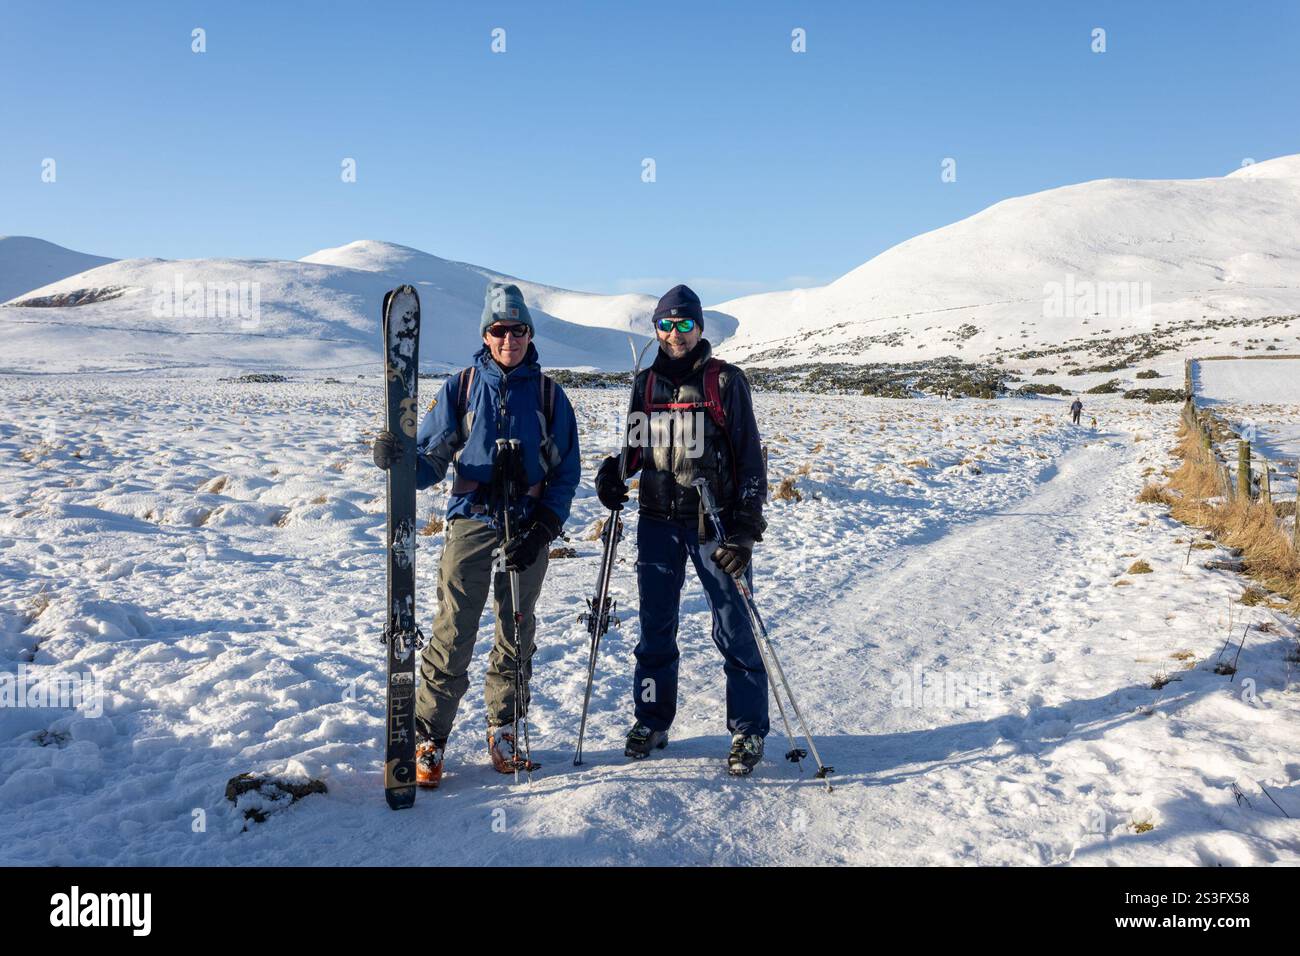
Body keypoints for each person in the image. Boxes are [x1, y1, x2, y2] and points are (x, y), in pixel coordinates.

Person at [372, 282, 580, 787]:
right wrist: (398, 460)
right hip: (472, 518)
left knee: (516, 629)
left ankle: (504, 727)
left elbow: (566, 472)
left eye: (518, 330)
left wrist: (544, 528)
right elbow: (430, 462)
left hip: (527, 525)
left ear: (530, 334)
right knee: (453, 629)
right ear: (486, 335)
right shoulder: (463, 388)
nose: (509, 339)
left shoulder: (551, 397)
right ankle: (428, 736)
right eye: (499, 330)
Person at [595, 284, 771, 776]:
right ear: (656, 328)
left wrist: (746, 531)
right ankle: (651, 720)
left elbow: (751, 457)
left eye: (685, 324)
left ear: (699, 328)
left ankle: (748, 730)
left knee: (734, 626)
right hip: (656, 522)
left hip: (714, 525)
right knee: (655, 626)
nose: (675, 334)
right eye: (667, 325)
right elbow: (635, 449)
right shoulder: (645, 383)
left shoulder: (726, 382)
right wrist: (612, 473)